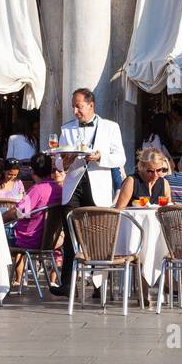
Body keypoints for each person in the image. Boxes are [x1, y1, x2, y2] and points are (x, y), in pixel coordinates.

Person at [54, 87, 127, 295]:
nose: (75, 111)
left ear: (91, 105)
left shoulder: (110, 127)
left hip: (98, 185)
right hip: (73, 186)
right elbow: (59, 163)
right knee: (70, 234)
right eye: (73, 107)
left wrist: (101, 157)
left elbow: (120, 158)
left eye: (79, 106)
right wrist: (64, 162)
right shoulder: (66, 129)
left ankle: (99, 286)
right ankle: (68, 284)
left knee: (99, 235)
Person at [2, 153, 61, 250]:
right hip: (47, 240)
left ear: (32, 170)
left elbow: (17, 213)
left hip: (26, 239)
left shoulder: (37, 190)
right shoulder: (59, 189)